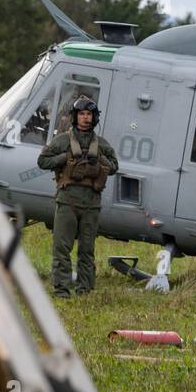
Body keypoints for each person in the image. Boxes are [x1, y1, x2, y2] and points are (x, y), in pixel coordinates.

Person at [36, 96, 118, 298]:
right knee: (62, 248)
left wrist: (99, 159)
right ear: (75, 117)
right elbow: (42, 161)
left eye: (89, 114)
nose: (85, 118)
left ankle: (85, 291)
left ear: (94, 117)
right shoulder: (62, 140)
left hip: (91, 204)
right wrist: (64, 158)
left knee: (87, 251)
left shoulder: (101, 144)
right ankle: (62, 291)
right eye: (81, 114)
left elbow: (114, 167)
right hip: (67, 201)